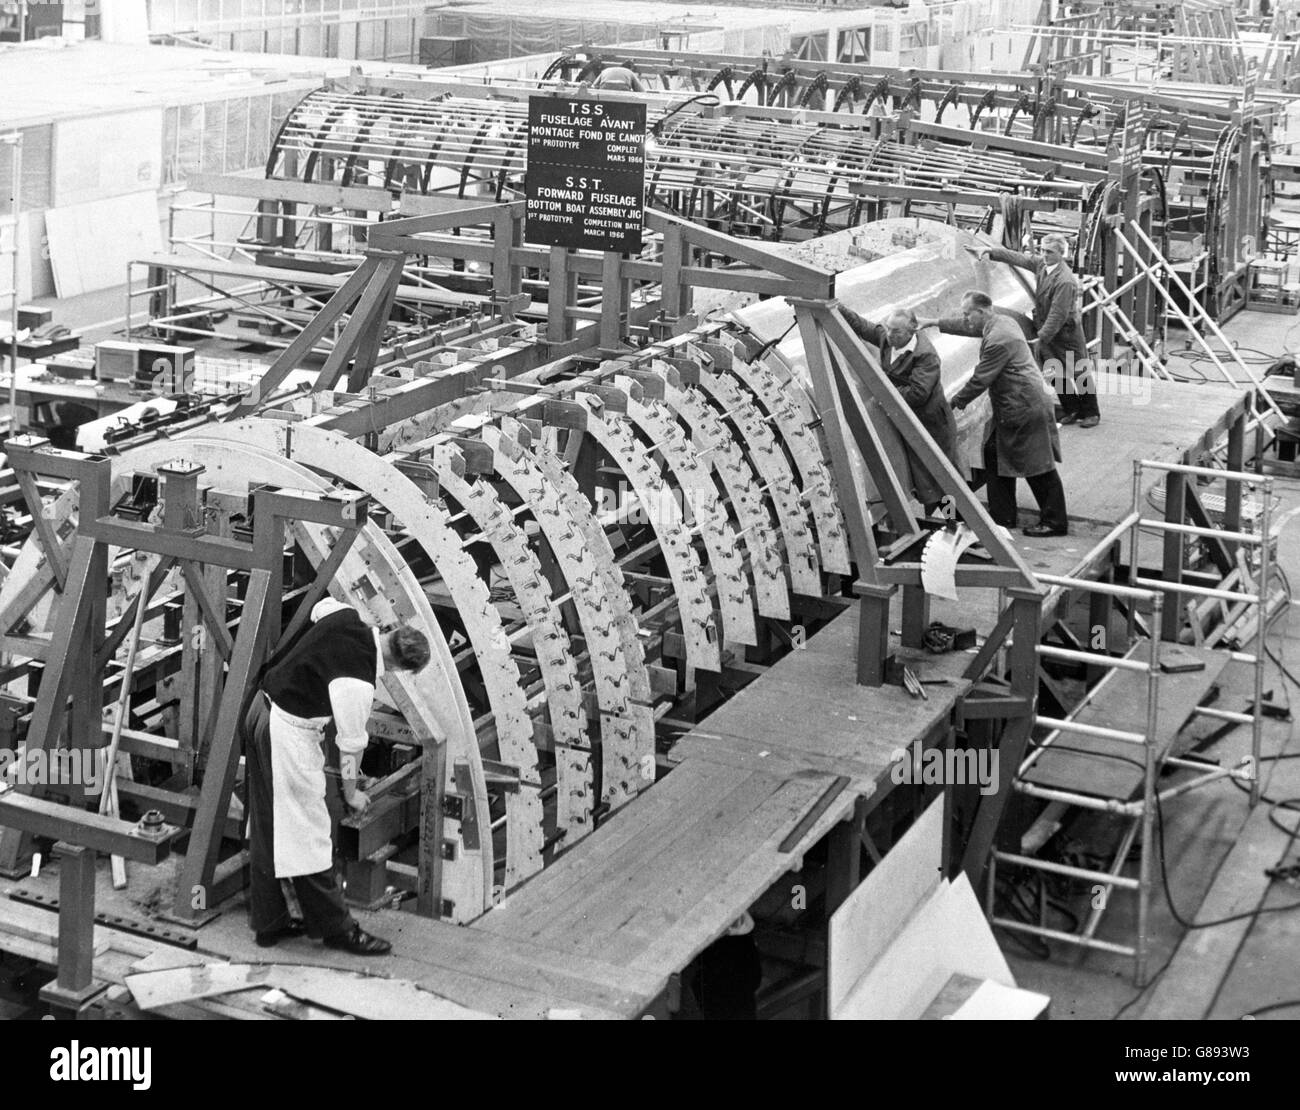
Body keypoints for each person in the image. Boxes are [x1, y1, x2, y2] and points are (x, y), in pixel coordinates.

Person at [244, 597, 431, 955]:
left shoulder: (345, 616)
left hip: (259, 709)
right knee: (311, 833)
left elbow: (317, 608)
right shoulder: (359, 682)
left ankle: (269, 924)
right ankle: (338, 930)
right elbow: (350, 746)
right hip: (287, 731)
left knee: (269, 824)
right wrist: (351, 792)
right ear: (400, 668)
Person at [918, 291, 1069, 537]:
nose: (965, 319)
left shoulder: (999, 340)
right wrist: (934, 322)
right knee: (994, 454)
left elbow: (980, 379)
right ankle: (1002, 516)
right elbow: (969, 328)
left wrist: (953, 403)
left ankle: (1054, 522)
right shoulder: (1001, 322)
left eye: (968, 314)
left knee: (1038, 465)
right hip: (1019, 404)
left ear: (982, 311)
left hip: (1024, 406)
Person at [840, 305, 961, 516]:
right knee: (926, 483)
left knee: (943, 480)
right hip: (910, 422)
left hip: (930, 425)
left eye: (896, 331)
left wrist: (883, 392)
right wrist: (835, 307)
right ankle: (939, 526)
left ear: (912, 330)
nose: (889, 335)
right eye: (888, 329)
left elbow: (918, 394)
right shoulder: (888, 339)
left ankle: (957, 523)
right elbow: (862, 325)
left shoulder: (925, 356)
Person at [978, 233, 1099, 427]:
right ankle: (1072, 409)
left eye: (1049, 252)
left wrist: (1041, 338)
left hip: (1065, 333)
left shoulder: (1065, 280)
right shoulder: (1043, 265)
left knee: (1078, 371)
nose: (1044, 254)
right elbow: (1020, 258)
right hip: (1048, 331)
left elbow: (1058, 315)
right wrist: (990, 252)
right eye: (1042, 250)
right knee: (1055, 371)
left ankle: (1091, 413)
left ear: (1062, 254)